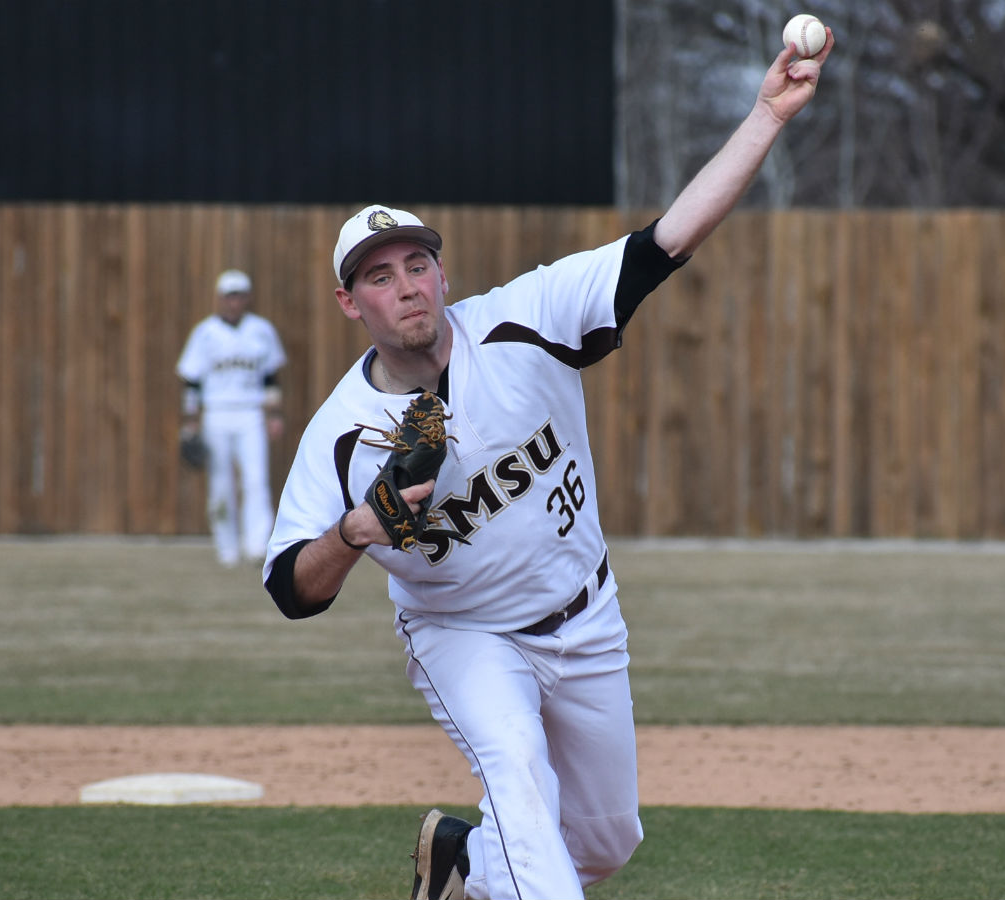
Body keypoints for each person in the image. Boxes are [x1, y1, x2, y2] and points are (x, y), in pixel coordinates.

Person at [262, 34, 832, 900]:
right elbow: (289, 589)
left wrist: (765, 117)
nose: (408, 284)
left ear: (442, 272)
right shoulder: (341, 434)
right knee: (524, 801)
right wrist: (356, 531)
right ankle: (501, 856)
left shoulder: (524, 320)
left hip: (587, 613)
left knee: (603, 843)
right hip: (467, 637)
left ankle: (459, 864)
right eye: (380, 277)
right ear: (350, 303)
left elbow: (663, 244)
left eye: (418, 263)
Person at [177, 269, 288, 567]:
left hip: (251, 413)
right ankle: (227, 549)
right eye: (229, 295)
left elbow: (270, 377)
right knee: (221, 485)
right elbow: (192, 380)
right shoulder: (206, 332)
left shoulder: (261, 330)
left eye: (239, 295)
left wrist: (274, 414)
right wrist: (190, 421)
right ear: (220, 298)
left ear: (247, 297)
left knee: (256, 481)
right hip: (216, 414)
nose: (234, 301)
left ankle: (257, 546)